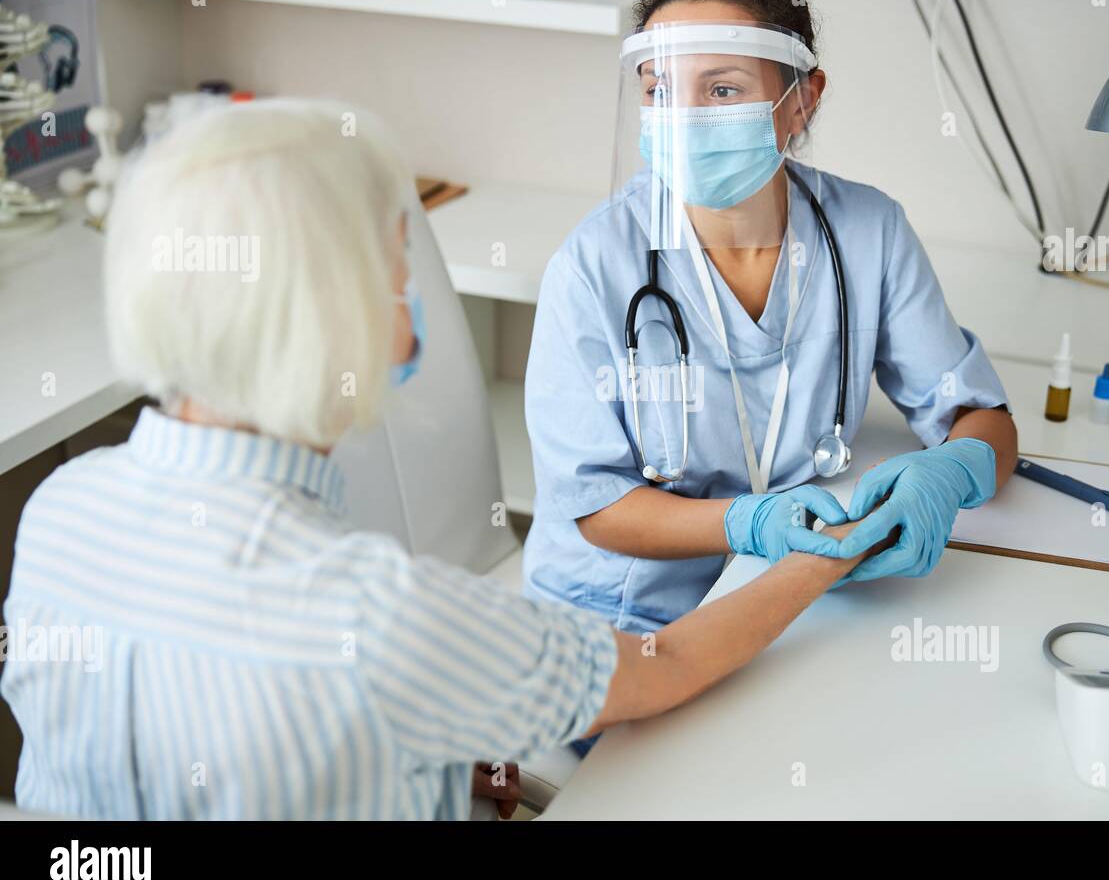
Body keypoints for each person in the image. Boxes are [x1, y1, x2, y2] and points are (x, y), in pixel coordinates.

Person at [0, 99, 885, 820]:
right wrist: (828, 547)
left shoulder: (58, 513)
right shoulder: (383, 618)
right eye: (395, 278)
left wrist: (418, 751)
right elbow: (671, 668)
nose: (409, 313)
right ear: (329, 316)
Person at [523, 0, 1018, 636]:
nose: (684, 118)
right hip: (622, 618)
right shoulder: (593, 266)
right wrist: (747, 521)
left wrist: (952, 472)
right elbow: (597, 506)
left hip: (781, 594)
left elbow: (983, 421)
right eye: (659, 90)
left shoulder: (868, 232)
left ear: (802, 100)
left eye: (721, 90)